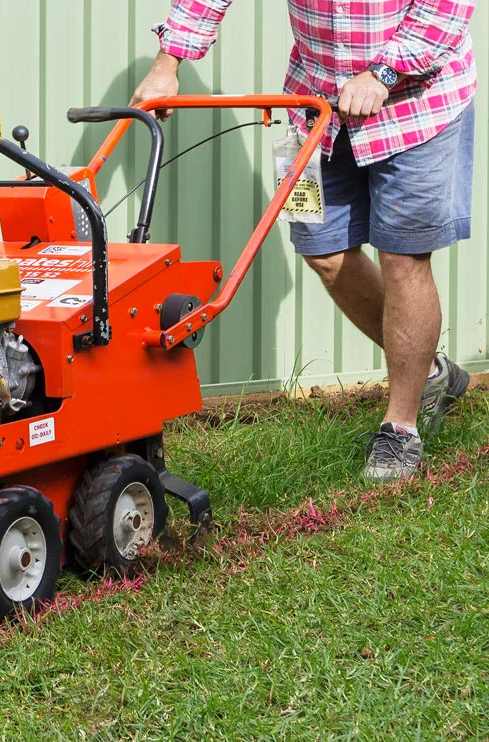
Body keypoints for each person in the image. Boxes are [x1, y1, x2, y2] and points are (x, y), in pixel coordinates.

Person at [132, 1, 477, 481]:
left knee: (402, 258)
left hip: (417, 107)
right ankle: (432, 373)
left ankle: (400, 428)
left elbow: (446, 7)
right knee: (323, 251)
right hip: (317, 103)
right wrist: (167, 65)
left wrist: (383, 72)